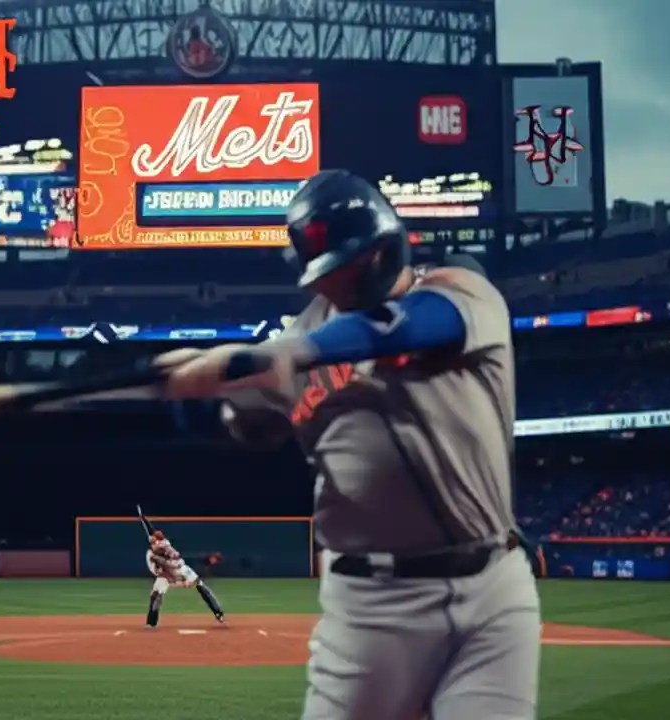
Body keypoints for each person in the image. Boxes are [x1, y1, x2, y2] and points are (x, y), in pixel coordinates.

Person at [155, 170, 539, 719]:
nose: (351, 280)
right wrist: (196, 391)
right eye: (336, 271)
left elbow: (399, 330)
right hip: (372, 606)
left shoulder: (460, 292)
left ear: (390, 245)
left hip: (492, 590)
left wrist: (259, 358)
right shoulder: (289, 348)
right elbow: (238, 429)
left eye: (363, 260)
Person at [144, 530, 226, 628]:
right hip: (165, 574)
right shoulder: (151, 555)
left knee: (200, 585)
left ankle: (218, 613)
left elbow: (173, 555)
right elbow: (160, 569)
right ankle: (151, 622)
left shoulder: (165, 544)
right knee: (156, 595)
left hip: (180, 568)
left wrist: (159, 543)